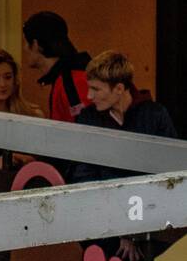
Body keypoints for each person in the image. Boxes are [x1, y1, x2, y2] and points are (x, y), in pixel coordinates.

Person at [70, 51, 178, 183]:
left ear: (119, 89)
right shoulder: (88, 118)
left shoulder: (155, 115)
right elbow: (81, 173)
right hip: (104, 198)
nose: (89, 96)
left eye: (96, 89)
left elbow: (171, 168)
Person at [22, 11, 91, 122]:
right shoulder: (69, 77)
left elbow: (87, 129)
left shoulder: (71, 81)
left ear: (35, 45)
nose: (24, 48)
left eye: (25, 42)